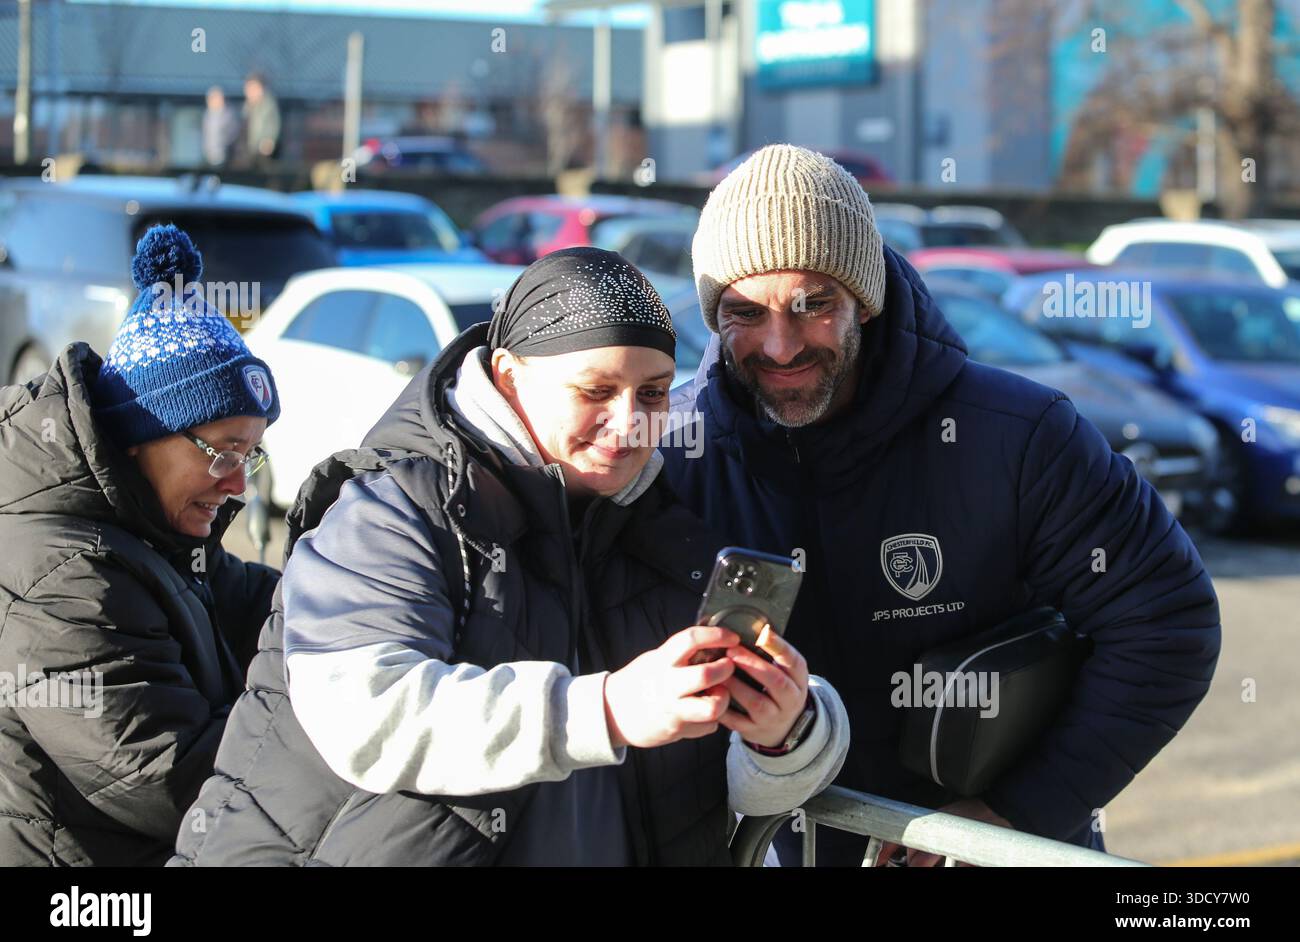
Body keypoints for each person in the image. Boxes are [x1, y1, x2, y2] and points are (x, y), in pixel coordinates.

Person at [171, 248, 849, 867]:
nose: (629, 423)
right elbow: (368, 713)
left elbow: (704, 777)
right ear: (509, 377)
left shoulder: (663, 531)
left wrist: (786, 730)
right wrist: (607, 709)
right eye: (594, 391)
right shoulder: (395, 503)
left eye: (652, 393)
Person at [662, 144, 1221, 866]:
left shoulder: (1017, 438)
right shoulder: (670, 458)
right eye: (743, 312)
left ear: (865, 297)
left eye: (814, 305)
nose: (779, 343)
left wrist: (1015, 814)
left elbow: (1166, 623)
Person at [0, 224, 283, 865]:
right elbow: (174, 781)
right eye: (223, 452)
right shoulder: (64, 577)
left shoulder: (153, 532)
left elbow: (273, 605)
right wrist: (348, 726)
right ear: (137, 437)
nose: (239, 483)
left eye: (252, 454)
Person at [241, 72, 280, 166]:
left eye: (253, 88)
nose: (249, 92)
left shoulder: (268, 105)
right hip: (248, 151)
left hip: (262, 151)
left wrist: (269, 139)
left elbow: (273, 125)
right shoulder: (247, 106)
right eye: (248, 88)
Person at [202, 86, 239, 168]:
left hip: (224, 156)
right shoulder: (207, 115)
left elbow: (232, 135)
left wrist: (222, 147)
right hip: (209, 156)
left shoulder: (229, 115)